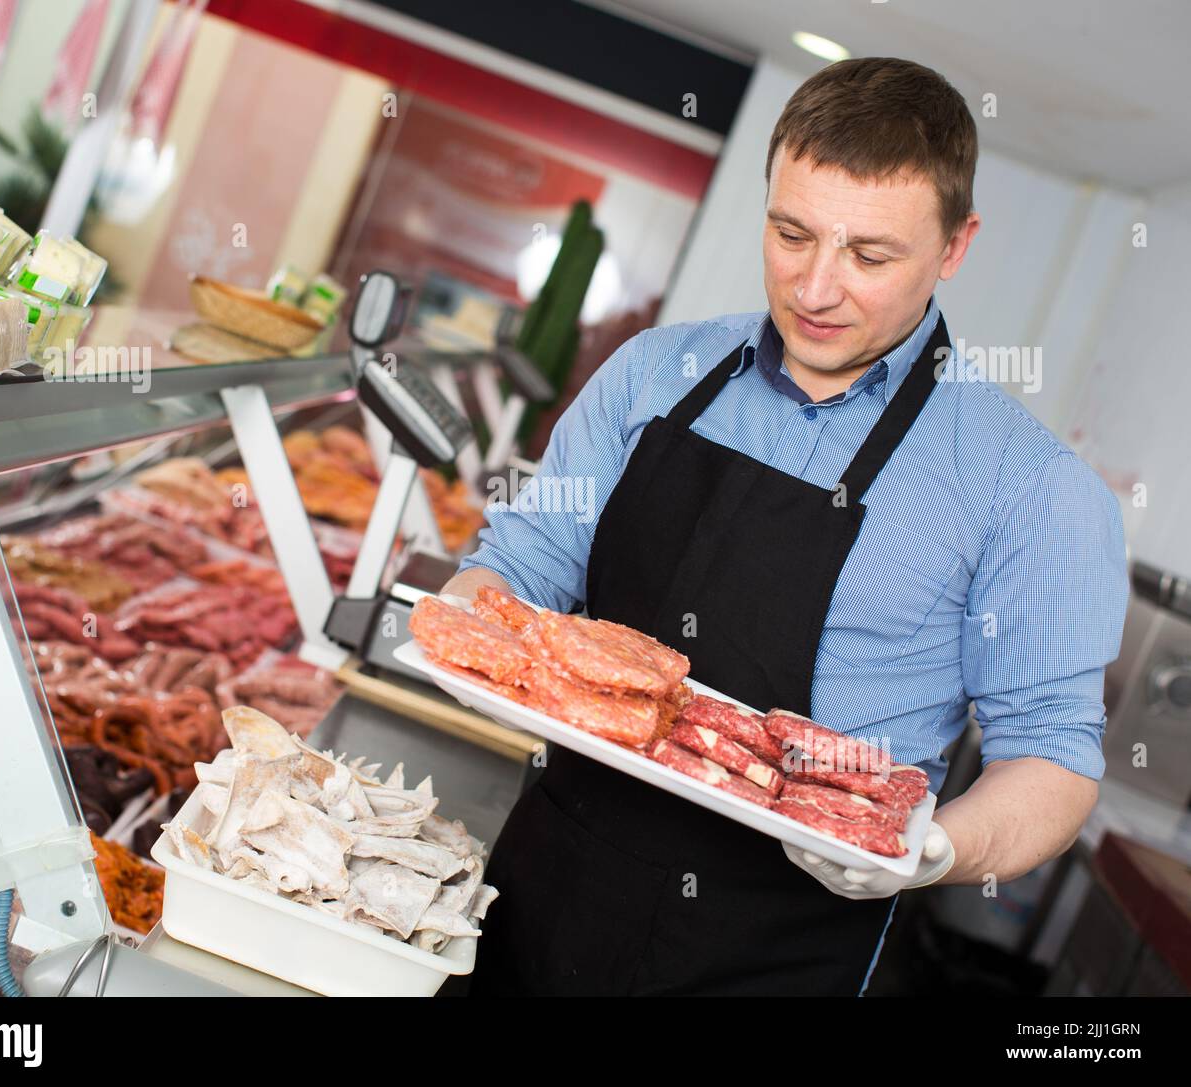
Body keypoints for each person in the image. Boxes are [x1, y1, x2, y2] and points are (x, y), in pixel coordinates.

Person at [440, 57, 1128, 996]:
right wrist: (462, 623)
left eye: (870, 255)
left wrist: (930, 849)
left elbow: (1051, 758)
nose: (815, 287)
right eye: (790, 232)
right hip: (547, 882)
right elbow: (519, 564)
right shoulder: (655, 372)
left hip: (777, 949)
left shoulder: (1032, 486)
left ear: (955, 245)